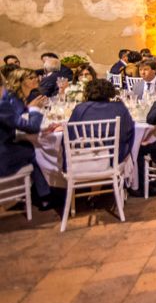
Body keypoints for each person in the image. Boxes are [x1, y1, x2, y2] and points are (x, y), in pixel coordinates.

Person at [1, 68, 60, 210]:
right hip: (3, 154)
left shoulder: (21, 97)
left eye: (35, 77)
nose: (36, 80)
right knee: (35, 150)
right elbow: (29, 126)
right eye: (30, 78)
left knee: (31, 145)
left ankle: (42, 192)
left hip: (10, 140)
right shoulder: (7, 102)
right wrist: (33, 109)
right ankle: (45, 195)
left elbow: (19, 121)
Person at [67, 78, 135, 165]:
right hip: (113, 159)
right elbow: (128, 132)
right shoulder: (119, 108)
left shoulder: (80, 109)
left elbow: (71, 135)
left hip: (83, 159)